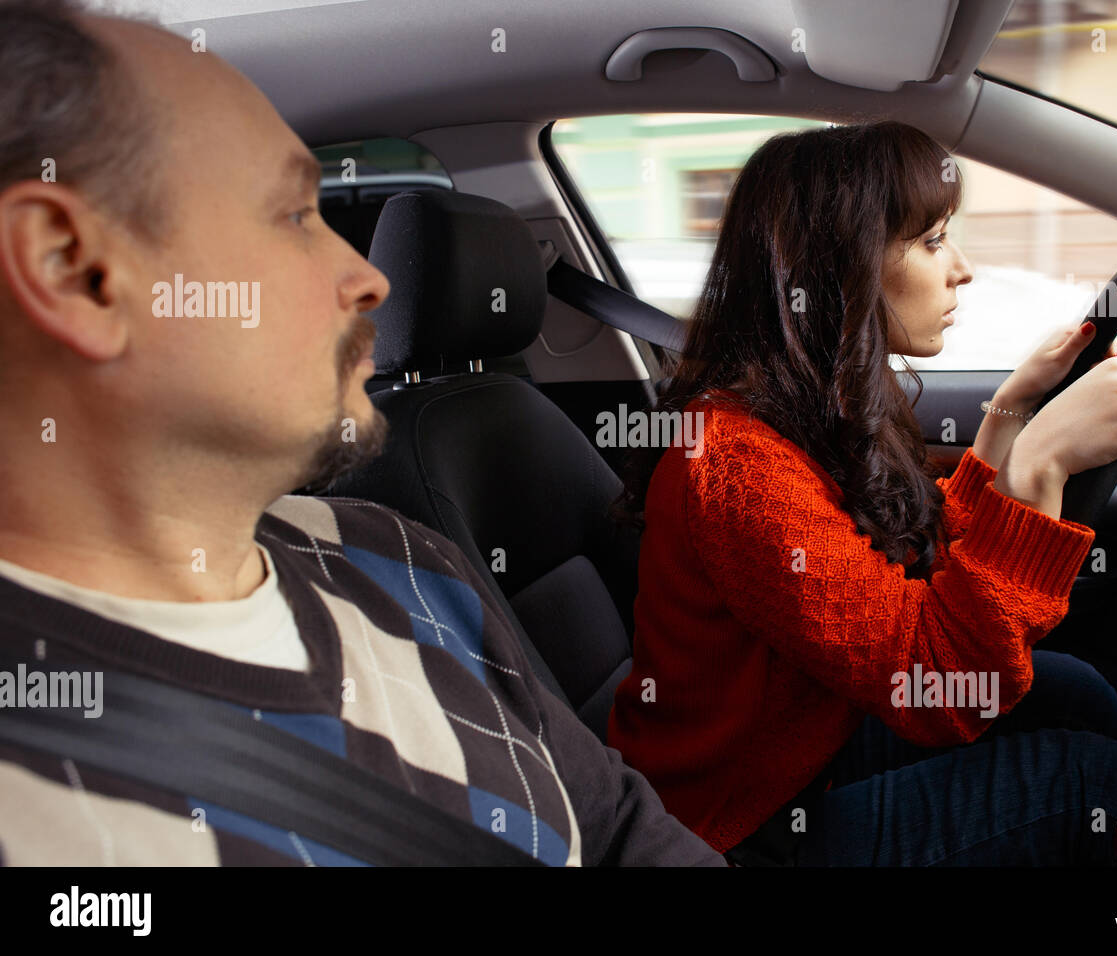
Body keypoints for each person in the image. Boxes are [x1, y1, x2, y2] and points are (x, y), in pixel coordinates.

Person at [0, 0, 725, 867]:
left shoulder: (397, 555)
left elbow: (616, 831)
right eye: (295, 216)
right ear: (74, 271)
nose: (369, 277)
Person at [606, 121, 1117, 865]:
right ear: (838, 269)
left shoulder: (807, 409)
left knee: (1066, 688)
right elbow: (941, 687)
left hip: (807, 746)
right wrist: (1037, 467)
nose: (963, 270)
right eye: (931, 242)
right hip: (734, 821)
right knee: (1090, 783)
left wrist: (1011, 413)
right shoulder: (736, 466)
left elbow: (905, 563)